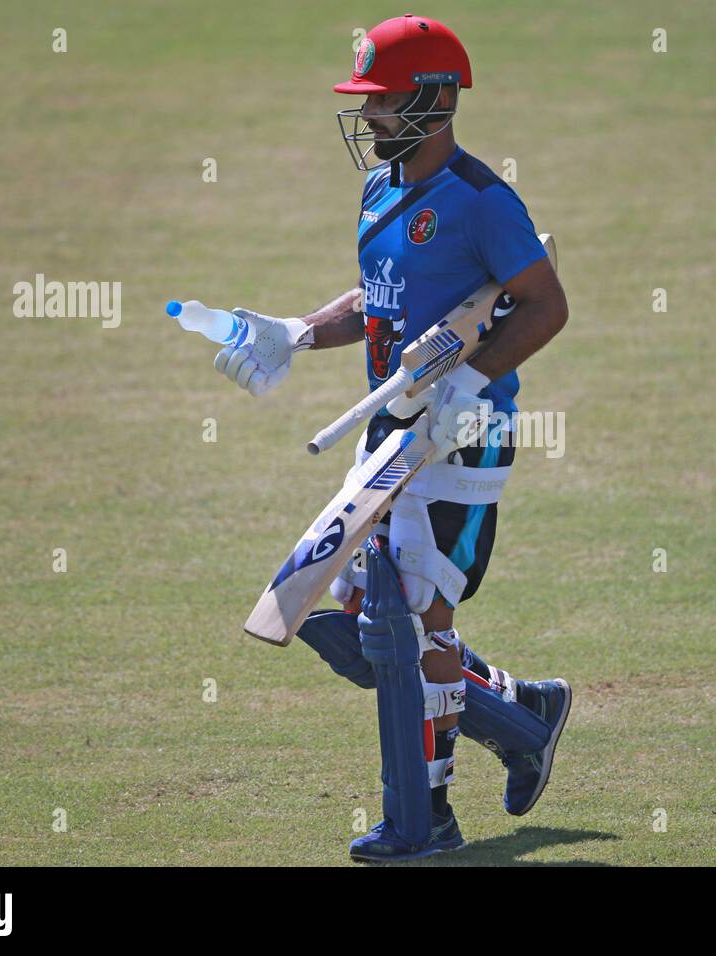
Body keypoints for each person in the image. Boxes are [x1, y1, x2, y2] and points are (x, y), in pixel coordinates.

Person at [212, 14, 572, 862]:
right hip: (392, 430)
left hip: (465, 434)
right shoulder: (381, 191)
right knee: (355, 619)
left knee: (414, 612)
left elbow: (546, 304)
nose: (368, 116)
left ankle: (428, 819)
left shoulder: (485, 201)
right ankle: (524, 718)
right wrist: (295, 332)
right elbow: (379, 299)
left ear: (435, 99)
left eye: (381, 100)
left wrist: (472, 386)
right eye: (365, 100)